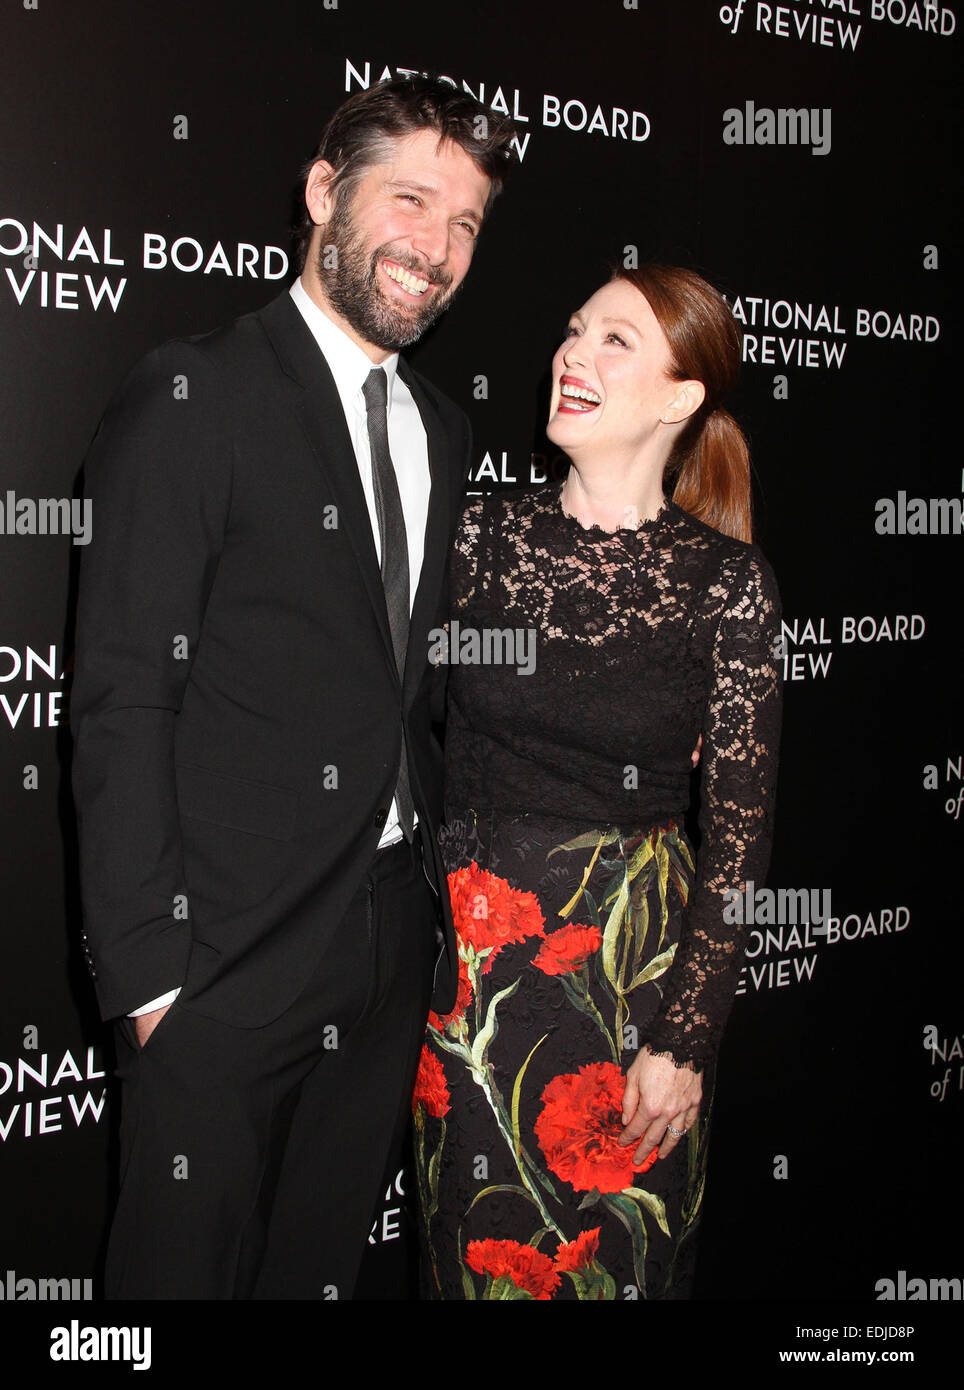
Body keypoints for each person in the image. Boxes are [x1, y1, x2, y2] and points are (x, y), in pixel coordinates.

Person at [70, 75, 516, 1300]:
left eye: (465, 222)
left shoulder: (443, 429)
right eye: (410, 200)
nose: (434, 247)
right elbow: (120, 695)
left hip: (383, 942)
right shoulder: (195, 391)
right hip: (220, 958)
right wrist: (154, 974)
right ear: (325, 193)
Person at [412, 264, 782, 1300]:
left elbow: (740, 843)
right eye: (575, 330)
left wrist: (685, 1038)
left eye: (615, 339)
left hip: (633, 994)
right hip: (477, 990)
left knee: (620, 1272)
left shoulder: (725, 586)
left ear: (679, 397)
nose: (572, 353)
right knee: (472, 1264)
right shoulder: (474, 538)